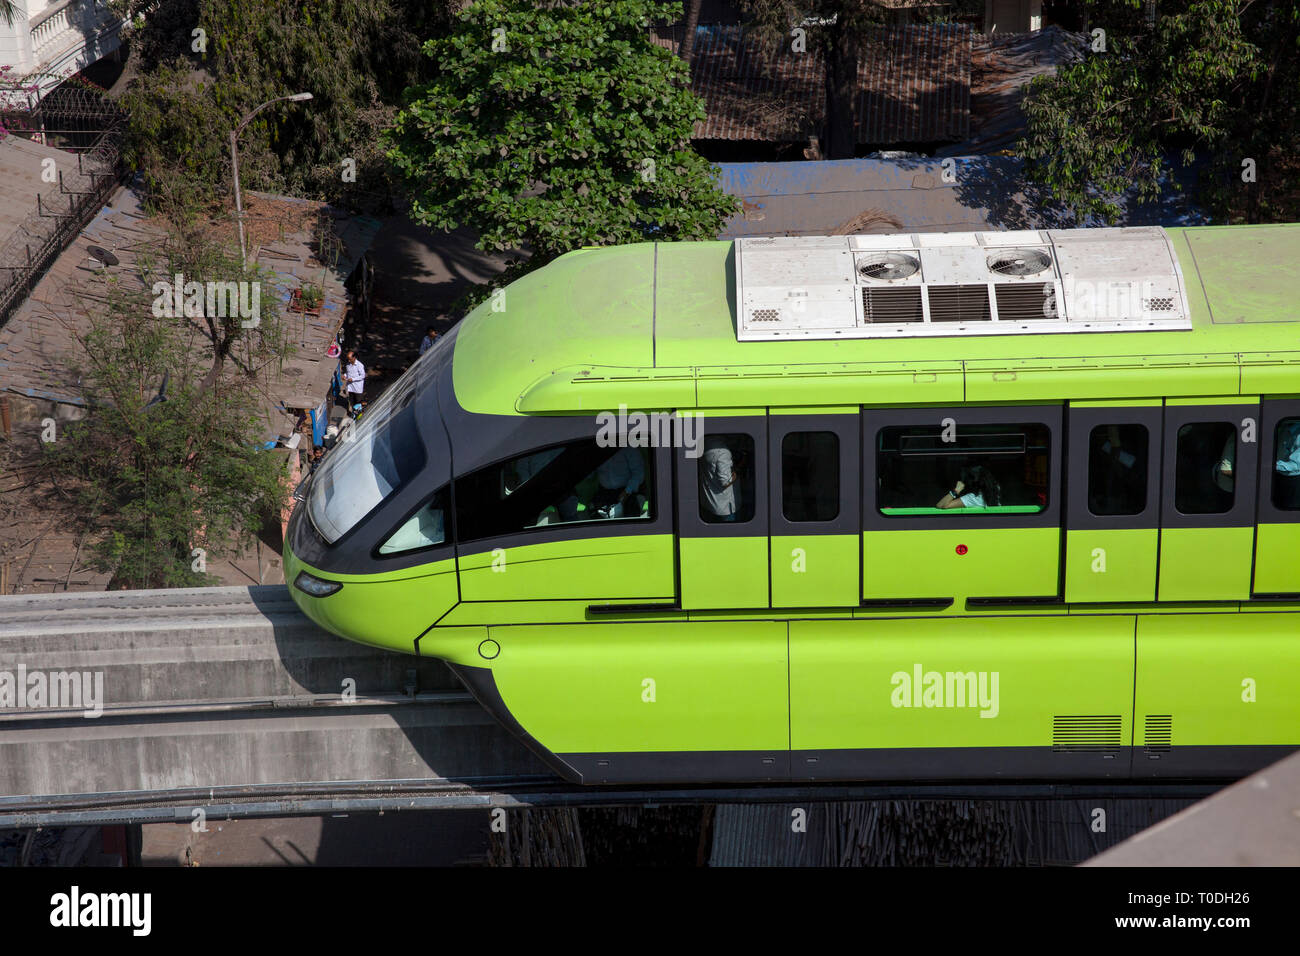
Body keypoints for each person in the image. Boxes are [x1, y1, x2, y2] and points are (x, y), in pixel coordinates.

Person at [592, 446, 646, 517]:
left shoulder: (629, 448)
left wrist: (627, 491)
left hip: (629, 492)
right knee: (595, 517)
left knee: (631, 518)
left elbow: (639, 474)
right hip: (605, 493)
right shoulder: (596, 451)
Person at [701, 436, 740, 521]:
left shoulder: (705, 445)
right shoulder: (723, 452)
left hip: (709, 503)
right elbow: (725, 482)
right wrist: (736, 474)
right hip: (725, 508)